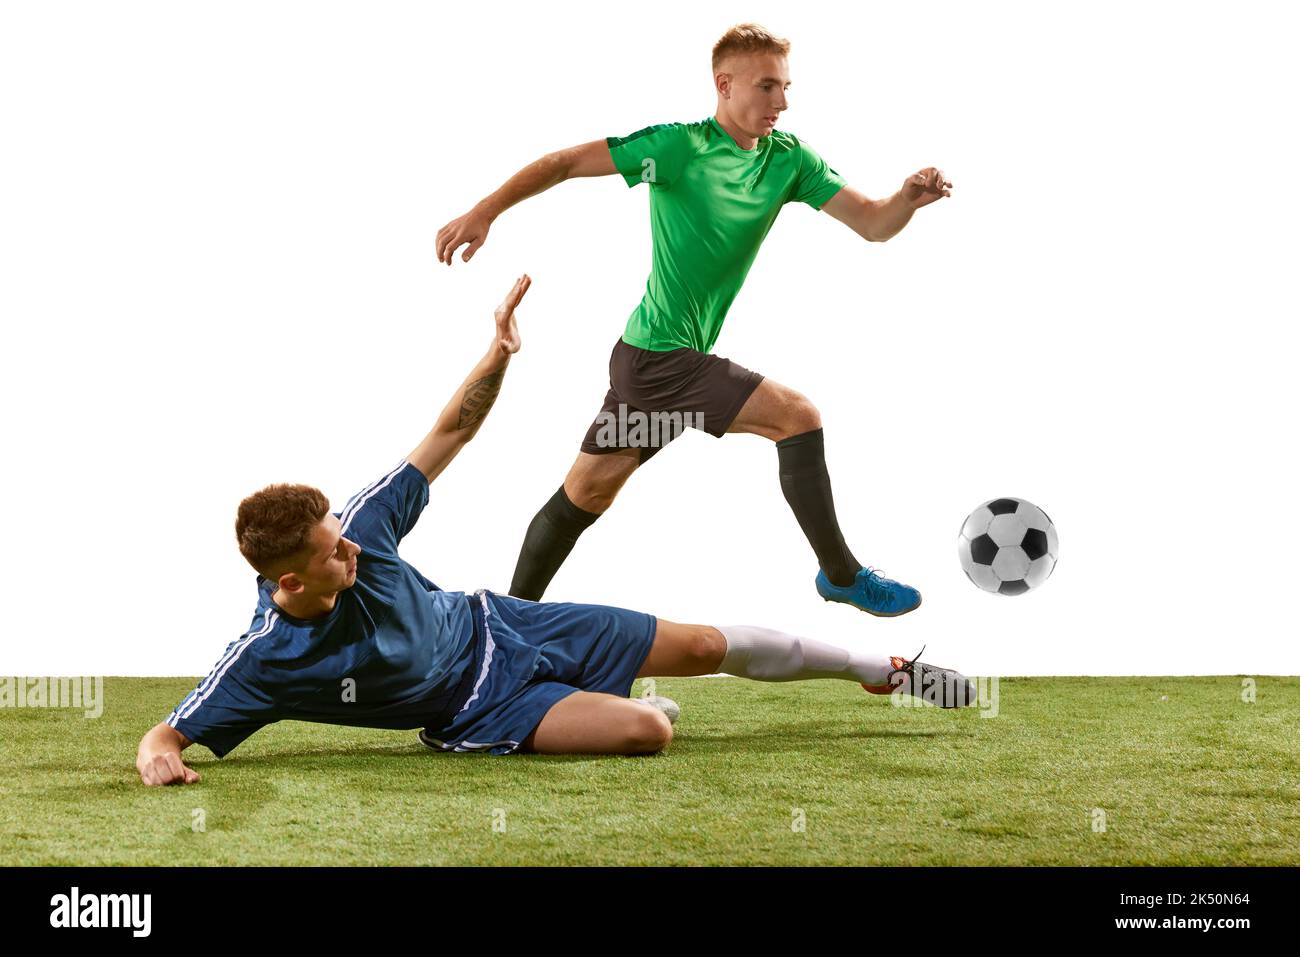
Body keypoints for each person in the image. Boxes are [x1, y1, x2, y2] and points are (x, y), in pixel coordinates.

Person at [135, 276, 975, 787]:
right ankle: (605, 703)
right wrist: (158, 753)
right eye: (331, 552)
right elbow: (172, 728)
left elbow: (448, 433)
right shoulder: (265, 659)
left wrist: (496, 355)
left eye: (342, 533)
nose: (349, 546)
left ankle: (886, 670)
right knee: (649, 731)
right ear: (289, 583)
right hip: (477, 705)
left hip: (506, 621)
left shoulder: (363, 528)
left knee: (710, 641)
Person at [435, 23, 953, 617]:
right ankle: (840, 574)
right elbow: (564, 163)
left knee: (586, 493)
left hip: (644, 359)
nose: (781, 102)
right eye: (767, 87)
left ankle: (505, 624)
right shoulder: (678, 147)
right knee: (798, 417)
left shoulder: (788, 160)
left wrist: (906, 200)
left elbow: (871, 223)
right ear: (724, 84)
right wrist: (486, 210)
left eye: (786, 87)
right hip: (662, 361)